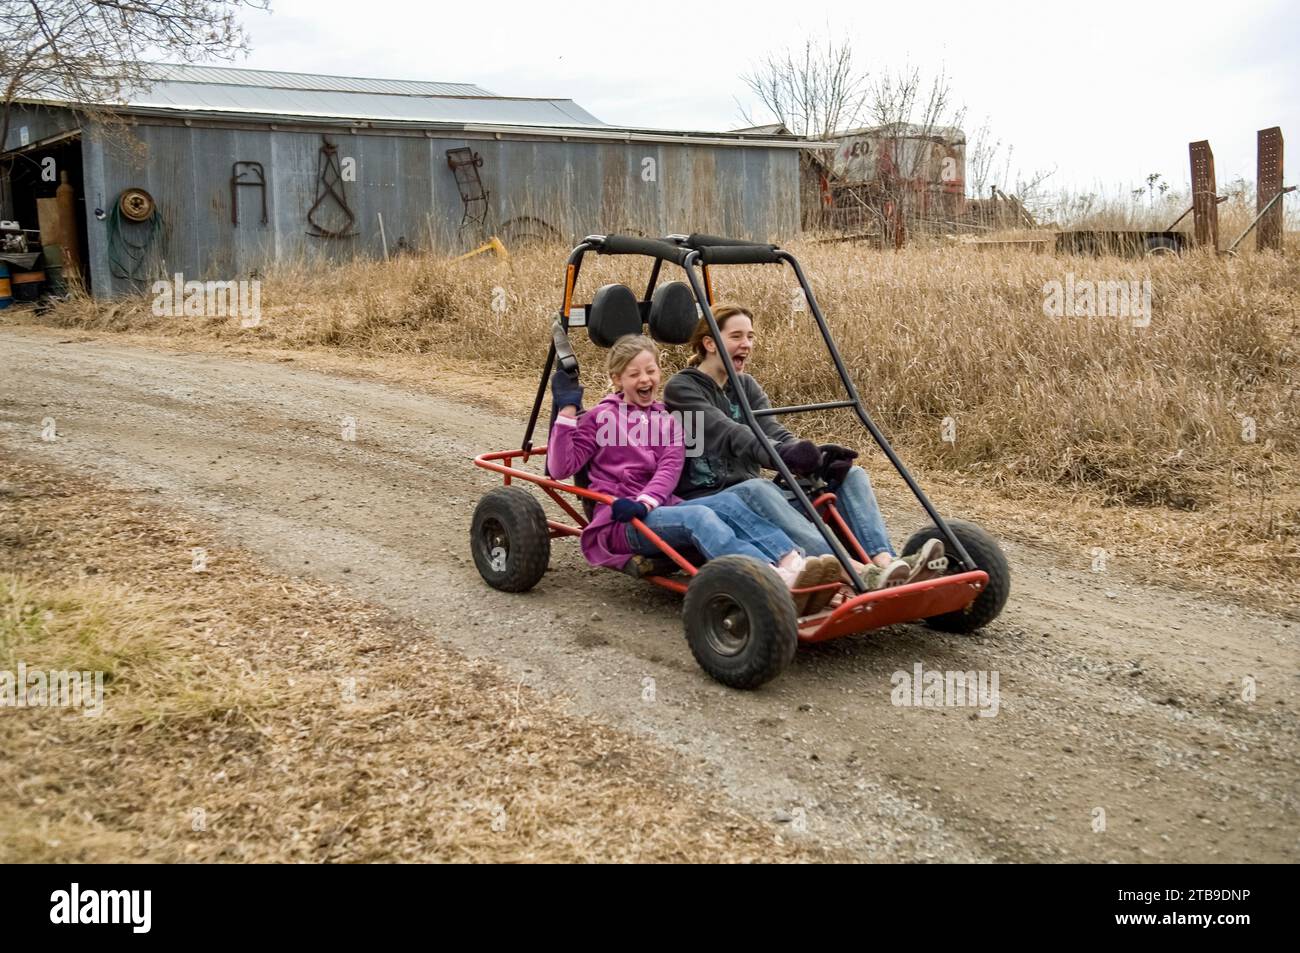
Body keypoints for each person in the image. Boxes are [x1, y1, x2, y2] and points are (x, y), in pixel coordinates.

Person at [547, 334, 846, 614]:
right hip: (621, 520)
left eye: (650, 371)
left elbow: (669, 469)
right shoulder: (600, 418)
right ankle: (766, 577)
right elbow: (560, 468)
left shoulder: (669, 421)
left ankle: (793, 562)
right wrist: (568, 411)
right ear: (617, 379)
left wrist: (647, 502)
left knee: (729, 505)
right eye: (634, 374)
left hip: (654, 508)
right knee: (700, 517)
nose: (645, 379)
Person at [662, 303, 946, 589]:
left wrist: (813, 456)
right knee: (757, 487)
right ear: (710, 343)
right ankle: (857, 572)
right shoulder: (683, 388)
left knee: (851, 476)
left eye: (750, 336)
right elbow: (728, 433)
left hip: (756, 499)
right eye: (736, 337)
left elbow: (772, 430)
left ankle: (885, 563)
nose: (746, 344)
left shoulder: (746, 386)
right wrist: (783, 455)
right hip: (711, 500)